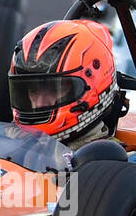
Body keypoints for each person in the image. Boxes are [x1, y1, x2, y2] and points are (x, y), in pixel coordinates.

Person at [8, 18, 126, 149]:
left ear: (93, 87)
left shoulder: (123, 161)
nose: (40, 103)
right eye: (34, 91)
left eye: (53, 89)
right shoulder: (13, 147)